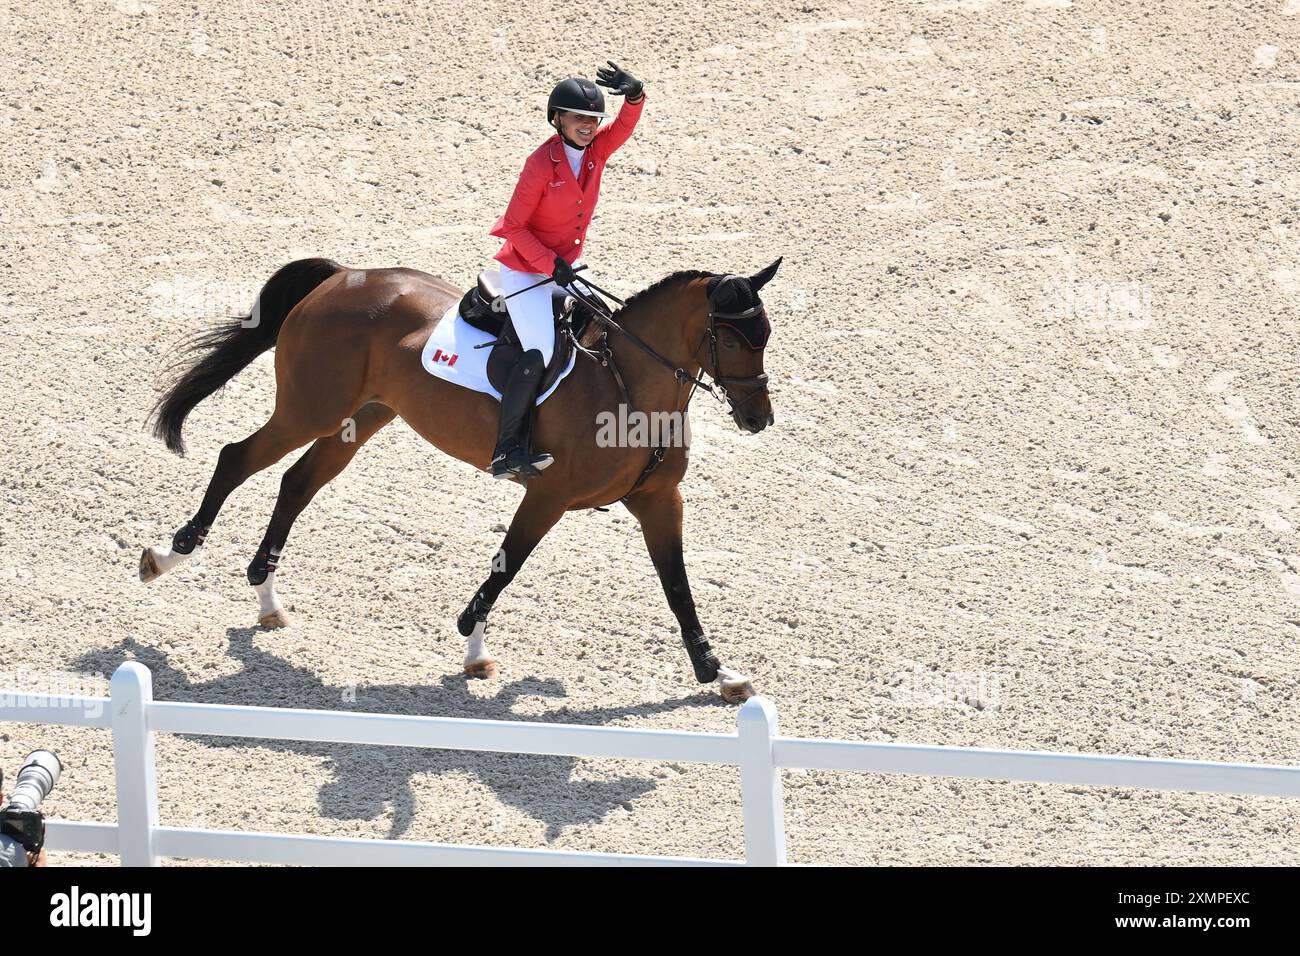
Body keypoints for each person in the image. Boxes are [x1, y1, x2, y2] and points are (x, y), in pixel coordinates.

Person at [486, 60, 646, 478]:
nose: (589, 125)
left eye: (594, 118)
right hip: (526, 270)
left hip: (565, 269)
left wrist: (635, 96)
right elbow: (513, 227)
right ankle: (507, 449)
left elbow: (625, 128)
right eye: (579, 117)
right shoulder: (540, 164)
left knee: (606, 329)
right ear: (557, 118)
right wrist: (549, 265)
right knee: (540, 346)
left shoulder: (595, 153)